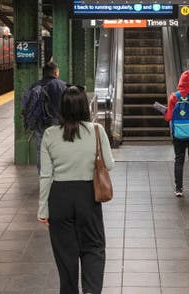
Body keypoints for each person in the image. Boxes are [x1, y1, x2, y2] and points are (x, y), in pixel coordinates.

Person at [38, 86, 115, 294]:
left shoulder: (49, 134)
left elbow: (46, 175)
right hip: (88, 196)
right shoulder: (96, 131)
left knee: (65, 254)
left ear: (62, 107)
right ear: (84, 107)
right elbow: (109, 164)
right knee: (93, 247)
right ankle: (91, 290)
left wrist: (43, 209)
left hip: (59, 197)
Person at [23, 61, 67, 173]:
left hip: (40, 126)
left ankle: (43, 176)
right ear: (56, 73)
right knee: (58, 151)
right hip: (58, 125)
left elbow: (25, 105)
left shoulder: (34, 87)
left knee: (41, 151)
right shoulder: (62, 86)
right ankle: (57, 175)